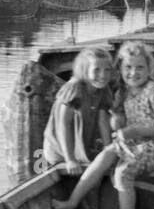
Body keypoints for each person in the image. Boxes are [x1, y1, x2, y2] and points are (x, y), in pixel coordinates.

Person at [51, 41, 154, 209]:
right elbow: (111, 115)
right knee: (106, 154)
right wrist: (118, 128)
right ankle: (72, 202)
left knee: (123, 173)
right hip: (135, 144)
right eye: (128, 68)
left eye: (139, 67)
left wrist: (135, 131)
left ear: (149, 68)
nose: (133, 73)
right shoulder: (123, 91)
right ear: (120, 70)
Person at [42, 45, 113, 174]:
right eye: (96, 70)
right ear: (84, 70)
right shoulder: (74, 89)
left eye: (107, 70)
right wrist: (70, 159)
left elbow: (103, 122)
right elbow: (63, 125)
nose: (103, 75)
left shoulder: (103, 90)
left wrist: (109, 152)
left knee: (96, 176)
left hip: (80, 149)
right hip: (59, 150)